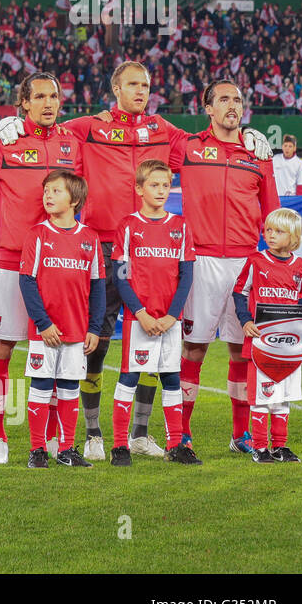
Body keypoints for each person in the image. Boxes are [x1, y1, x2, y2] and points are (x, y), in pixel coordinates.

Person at [53, 62, 271, 456]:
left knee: (156, 340)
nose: (141, 91)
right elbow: (53, 130)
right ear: (115, 88)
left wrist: (251, 138)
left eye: (146, 85)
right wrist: (17, 126)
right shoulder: (91, 127)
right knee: (97, 344)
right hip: (105, 246)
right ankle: (93, 434)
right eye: (133, 84)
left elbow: (212, 142)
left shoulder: (165, 132)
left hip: (155, 250)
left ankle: (139, 434)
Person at [0, 72, 84, 464]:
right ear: (24, 103)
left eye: (54, 96)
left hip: (63, 264)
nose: (48, 103)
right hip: (13, 263)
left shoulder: (71, 143)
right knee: (1, 347)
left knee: (62, 351)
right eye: (39, 97)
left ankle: (58, 443)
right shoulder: (5, 142)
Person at [167, 80, 279, 455]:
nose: (233, 105)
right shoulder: (188, 148)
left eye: (238, 99)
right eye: (224, 99)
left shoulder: (258, 155)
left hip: (246, 262)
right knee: (193, 349)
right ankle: (181, 434)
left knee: (241, 351)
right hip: (202, 262)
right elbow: (140, 144)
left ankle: (240, 435)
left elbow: (273, 214)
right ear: (208, 109)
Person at [108, 159, 198, 465]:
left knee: (172, 379)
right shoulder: (128, 226)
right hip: (139, 320)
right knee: (128, 379)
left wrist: (173, 315)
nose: (161, 191)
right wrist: (141, 313)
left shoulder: (181, 225)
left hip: (170, 320)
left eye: (165, 184)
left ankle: (176, 445)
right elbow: (121, 276)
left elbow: (186, 275)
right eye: (154, 185)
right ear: (139, 188)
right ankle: (120, 445)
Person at [18, 171, 105, 468]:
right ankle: (37, 450)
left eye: (56, 190)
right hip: (45, 331)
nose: (48, 195)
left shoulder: (90, 238)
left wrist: (94, 327)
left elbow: (97, 286)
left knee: (69, 388)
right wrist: (42, 323)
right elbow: (27, 282)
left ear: (75, 200)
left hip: (77, 330)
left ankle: (66, 449)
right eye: (46, 190)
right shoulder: (37, 234)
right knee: (41, 387)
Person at [232, 208, 302, 464]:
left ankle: (280, 446)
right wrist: (245, 322)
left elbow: (300, 299)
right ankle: (260, 447)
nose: (271, 235)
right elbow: (239, 293)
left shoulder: (299, 265)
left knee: (283, 396)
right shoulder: (256, 261)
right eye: (268, 229)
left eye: (278, 231)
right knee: (260, 397)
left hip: (288, 346)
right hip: (260, 343)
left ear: (293, 237)